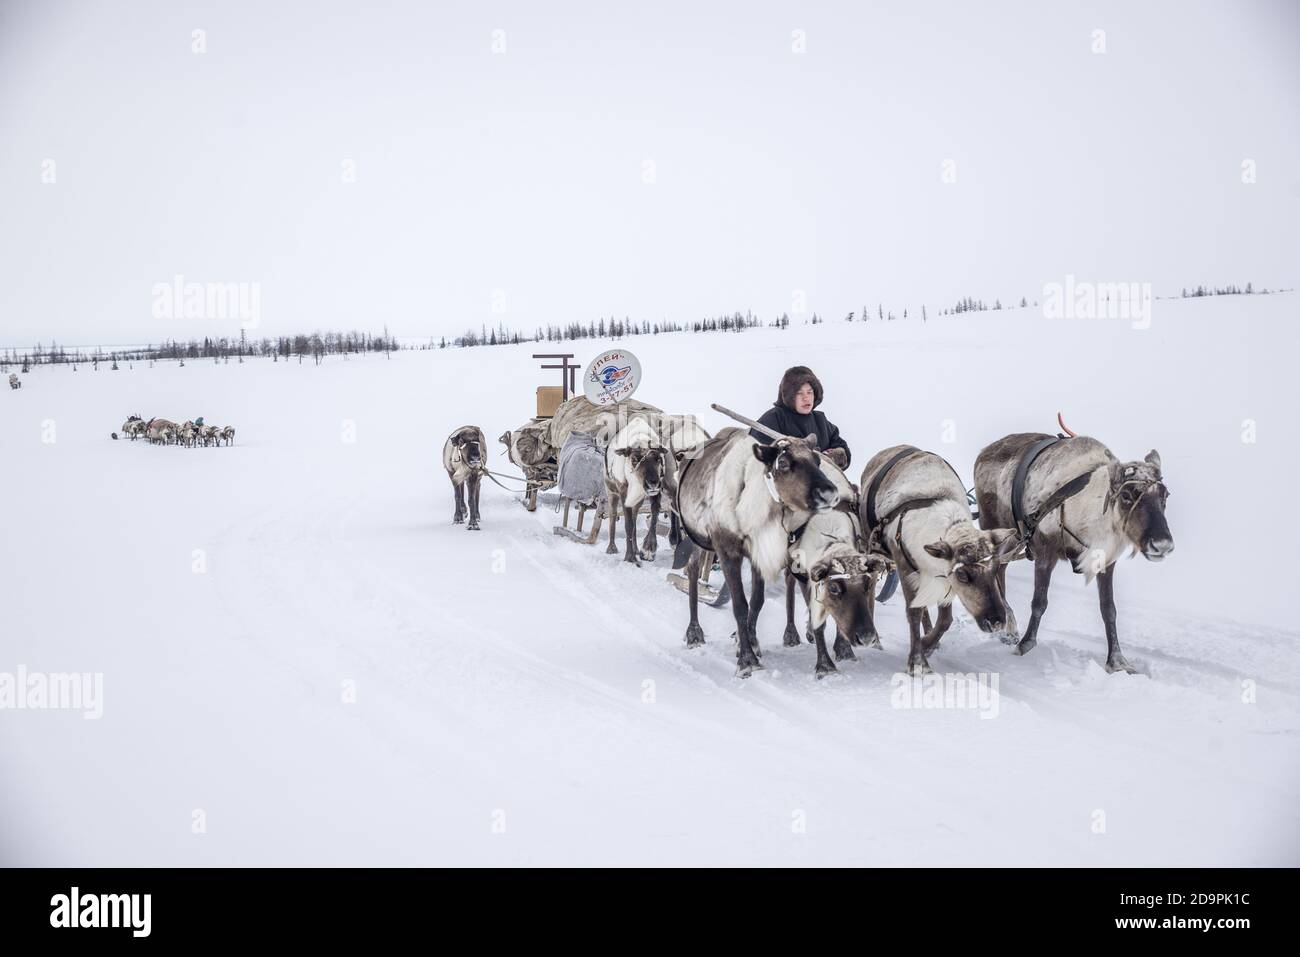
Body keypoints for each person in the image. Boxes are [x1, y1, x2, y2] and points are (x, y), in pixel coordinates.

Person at [750, 366, 851, 468]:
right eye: (799, 393)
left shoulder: (820, 420)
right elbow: (755, 456)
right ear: (789, 395)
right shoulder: (774, 418)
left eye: (809, 392)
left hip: (823, 482)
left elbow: (842, 447)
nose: (806, 398)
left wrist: (836, 456)